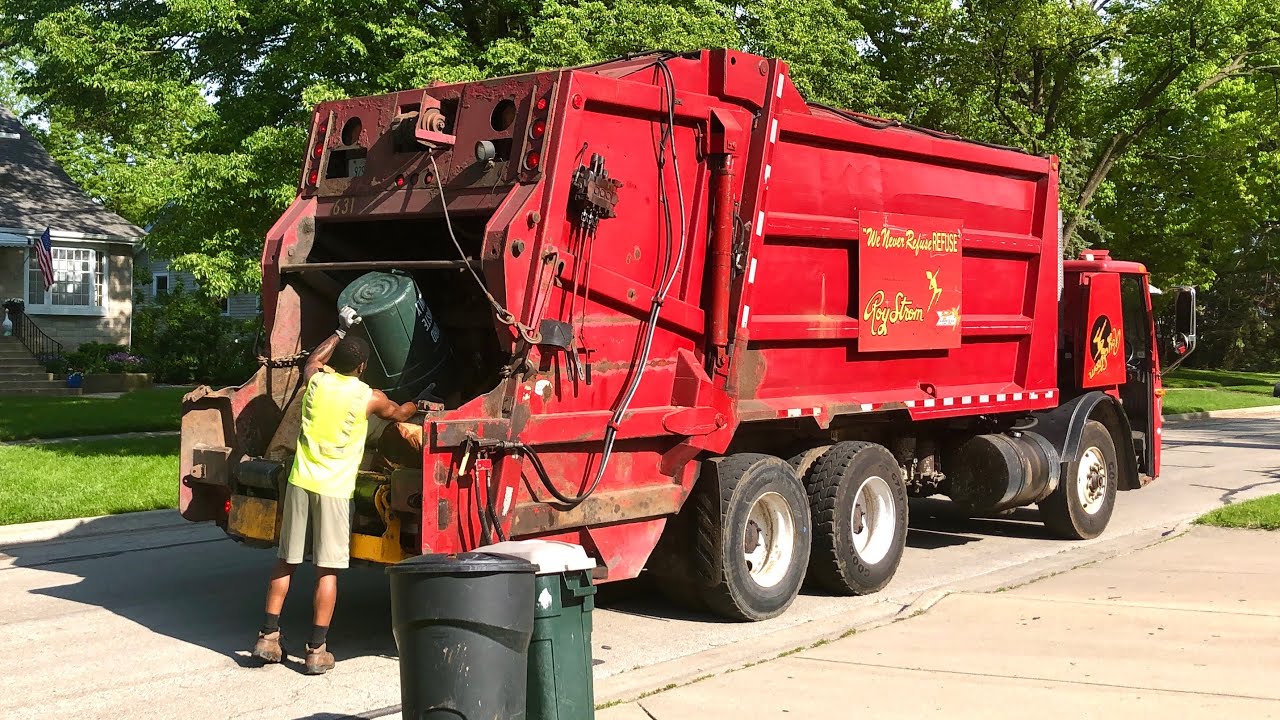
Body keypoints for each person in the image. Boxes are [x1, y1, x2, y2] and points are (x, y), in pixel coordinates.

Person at [250, 328, 418, 674]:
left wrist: (338, 331)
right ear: (362, 366)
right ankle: (316, 650)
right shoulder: (367, 397)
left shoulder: (316, 383)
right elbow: (400, 414)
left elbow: (313, 359)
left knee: (286, 561)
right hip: (335, 490)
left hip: (300, 483)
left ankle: (268, 637)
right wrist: (420, 404)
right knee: (326, 570)